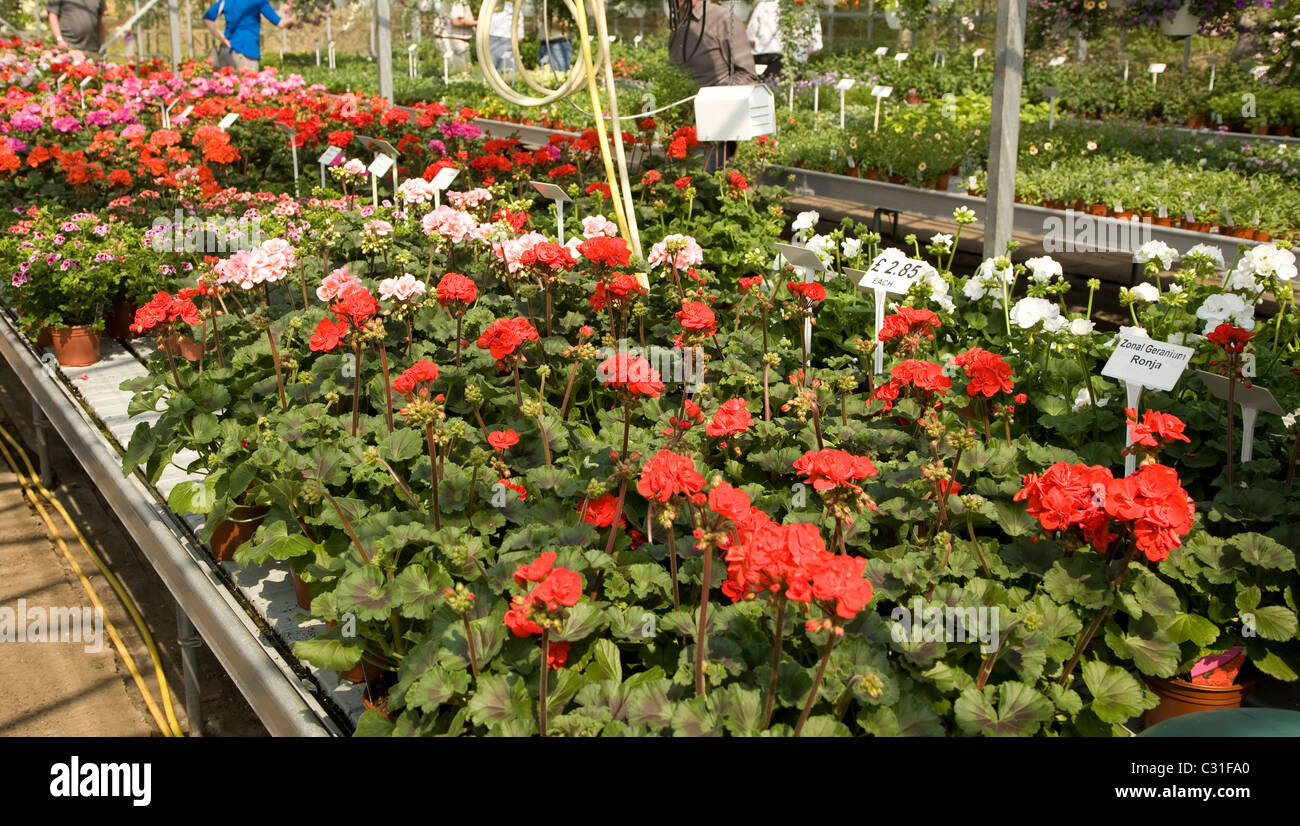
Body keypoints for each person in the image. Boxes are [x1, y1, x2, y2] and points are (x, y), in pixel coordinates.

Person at [668, 0, 760, 170]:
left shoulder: (723, 20)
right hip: (680, 130)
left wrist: (712, 99)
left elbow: (747, 75)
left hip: (713, 132)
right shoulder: (679, 23)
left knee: (703, 185)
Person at [202, 0, 292, 73]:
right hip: (248, 52)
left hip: (227, 51)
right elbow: (280, 23)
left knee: (225, 90)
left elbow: (207, 18)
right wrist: (292, 21)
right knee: (248, 90)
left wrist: (221, 38)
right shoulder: (259, 1)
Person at [745, 0, 822, 80]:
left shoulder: (764, 5)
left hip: (762, 62)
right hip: (792, 66)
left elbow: (749, 40)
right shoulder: (809, 9)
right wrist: (800, 52)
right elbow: (815, 48)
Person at [435, 0, 476, 75]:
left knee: (449, 72)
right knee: (460, 73)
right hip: (455, 42)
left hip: (448, 39)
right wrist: (477, 22)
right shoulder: (458, 2)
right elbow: (457, 21)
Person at [487, 0, 524, 73]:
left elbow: (520, 36)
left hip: (506, 41)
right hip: (496, 40)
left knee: (505, 72)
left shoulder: (494, 10)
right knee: (504, 72)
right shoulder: (494, 10)